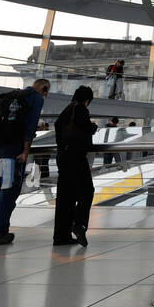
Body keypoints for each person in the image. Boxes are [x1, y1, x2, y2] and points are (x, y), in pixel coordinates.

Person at [0, 78, 49, 245]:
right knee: (8, 191)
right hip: (13, 152)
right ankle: (0, 233)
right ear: (44, 89)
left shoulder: (12, 95)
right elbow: (30, 127)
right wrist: (26, 151)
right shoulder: (36, 98)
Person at [53, 85, 98, 246]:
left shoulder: (67, 109)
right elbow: (87, 128)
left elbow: (58, 126)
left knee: (66, 197)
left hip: (63, 155)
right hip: (76, 157)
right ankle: (79, 225)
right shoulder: (80, 109)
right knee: (87, 191)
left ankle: (61, 236)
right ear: (87, 100)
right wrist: (93, 126)